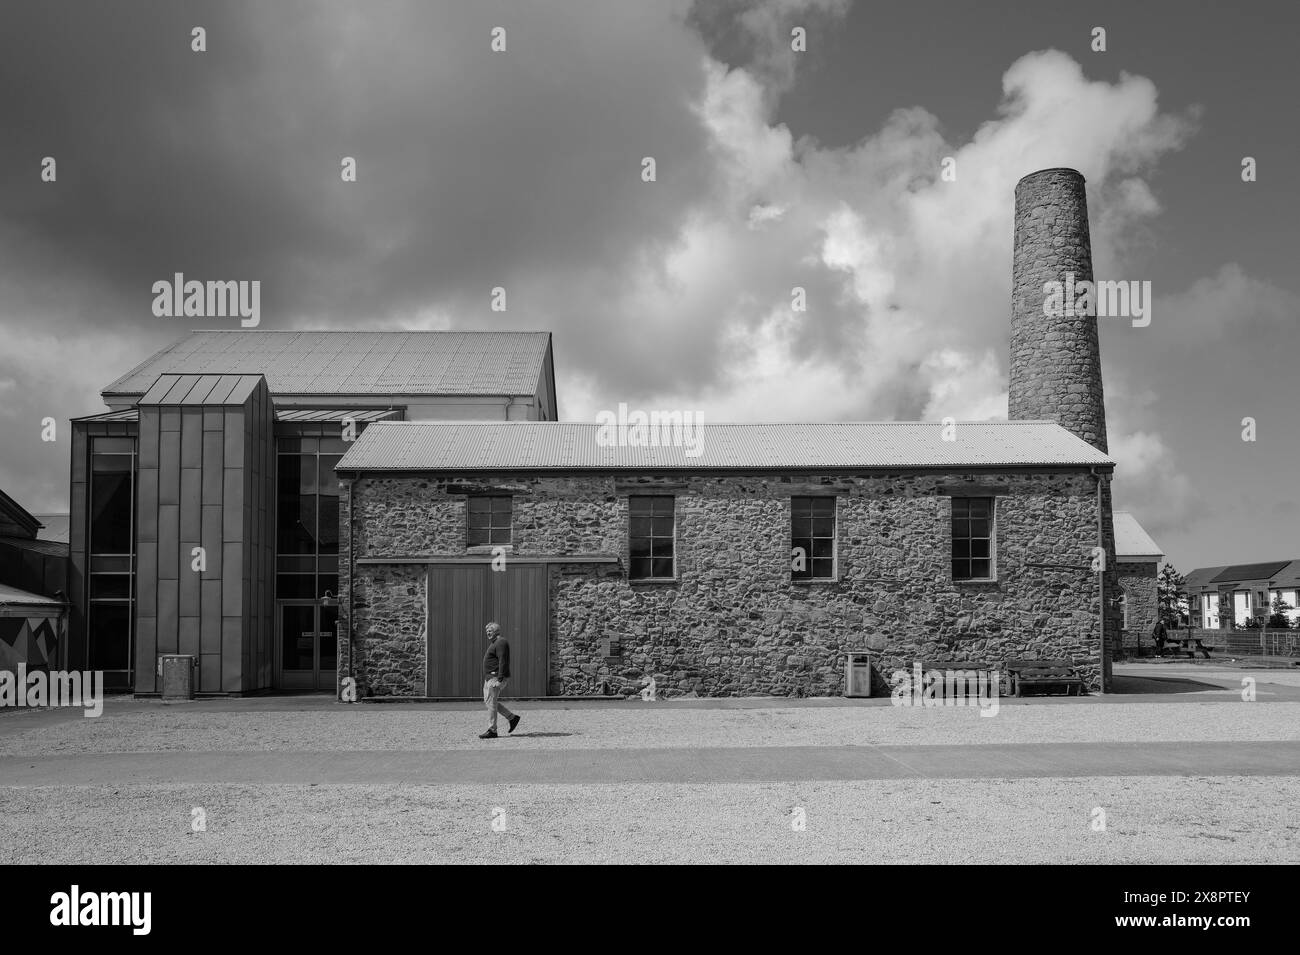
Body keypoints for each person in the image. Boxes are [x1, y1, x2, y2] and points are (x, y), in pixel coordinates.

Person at [479, 622, 520, 739]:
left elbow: (503, 661)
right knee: (490, 702)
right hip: (490, 678)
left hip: (495, 678)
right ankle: (512, 718)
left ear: (496, 631)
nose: (487, 633)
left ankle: (492, 730)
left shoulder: (501, 642)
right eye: (487, 631)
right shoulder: (495, 643)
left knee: (491, 703)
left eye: (490, 631)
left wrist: (500, 678)